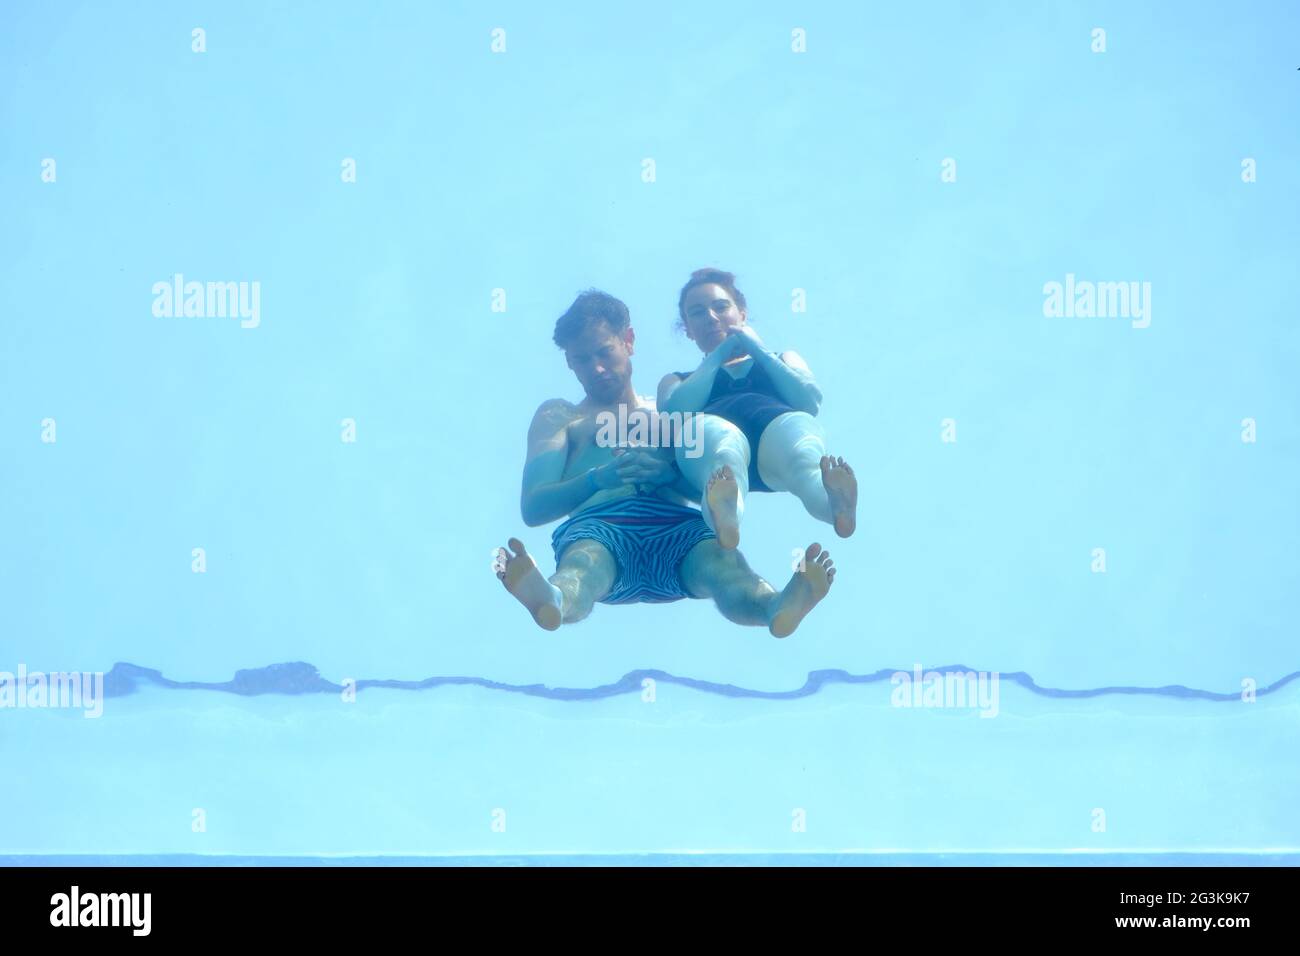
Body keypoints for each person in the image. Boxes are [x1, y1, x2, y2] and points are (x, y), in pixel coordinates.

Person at [495, 289, 835, 638]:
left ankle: (774, 607)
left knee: (726, 566)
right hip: (601, 523)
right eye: (582, 360)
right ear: (569, 362)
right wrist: (599, 479)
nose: (596, 368)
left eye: (604, 352)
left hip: (678, 526)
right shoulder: (561, 415)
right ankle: (553, 600)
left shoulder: (670, 411)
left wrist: (667, 473)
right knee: (583, 564)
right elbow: (534, 505)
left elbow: (712, 479)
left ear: (628, 341)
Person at [657, 268, 857, 551]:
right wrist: (716, 357)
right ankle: (726, 516)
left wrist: (759, 350)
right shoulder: (677, 380)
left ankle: (834, 505)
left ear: (742, 313)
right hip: (711, 441)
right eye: (698, 313)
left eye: (721, 307)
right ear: (688, 329)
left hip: (775, 444)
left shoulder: (785, 357)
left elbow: (808, 400)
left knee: (801, 455)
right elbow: (675, 416)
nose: (712, 317)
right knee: (723, 453)